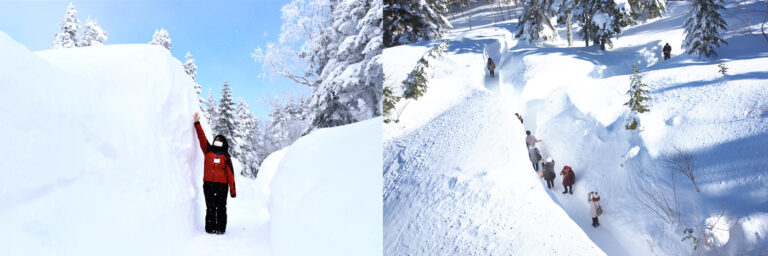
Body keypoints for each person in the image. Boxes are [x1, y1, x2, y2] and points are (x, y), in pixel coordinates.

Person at [193, 112, 237, 234]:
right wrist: (197, 123)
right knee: (210, 207)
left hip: (222, 186)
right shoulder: (208, 150)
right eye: (216, 139)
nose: (217, 140)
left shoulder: (226, 156)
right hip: (208, 184)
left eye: (220, 140)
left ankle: (220, 228)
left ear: (224, 143)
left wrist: (233, 191)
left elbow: (230, 175)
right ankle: (210, 227)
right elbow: (201, 137)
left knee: (221, 207)